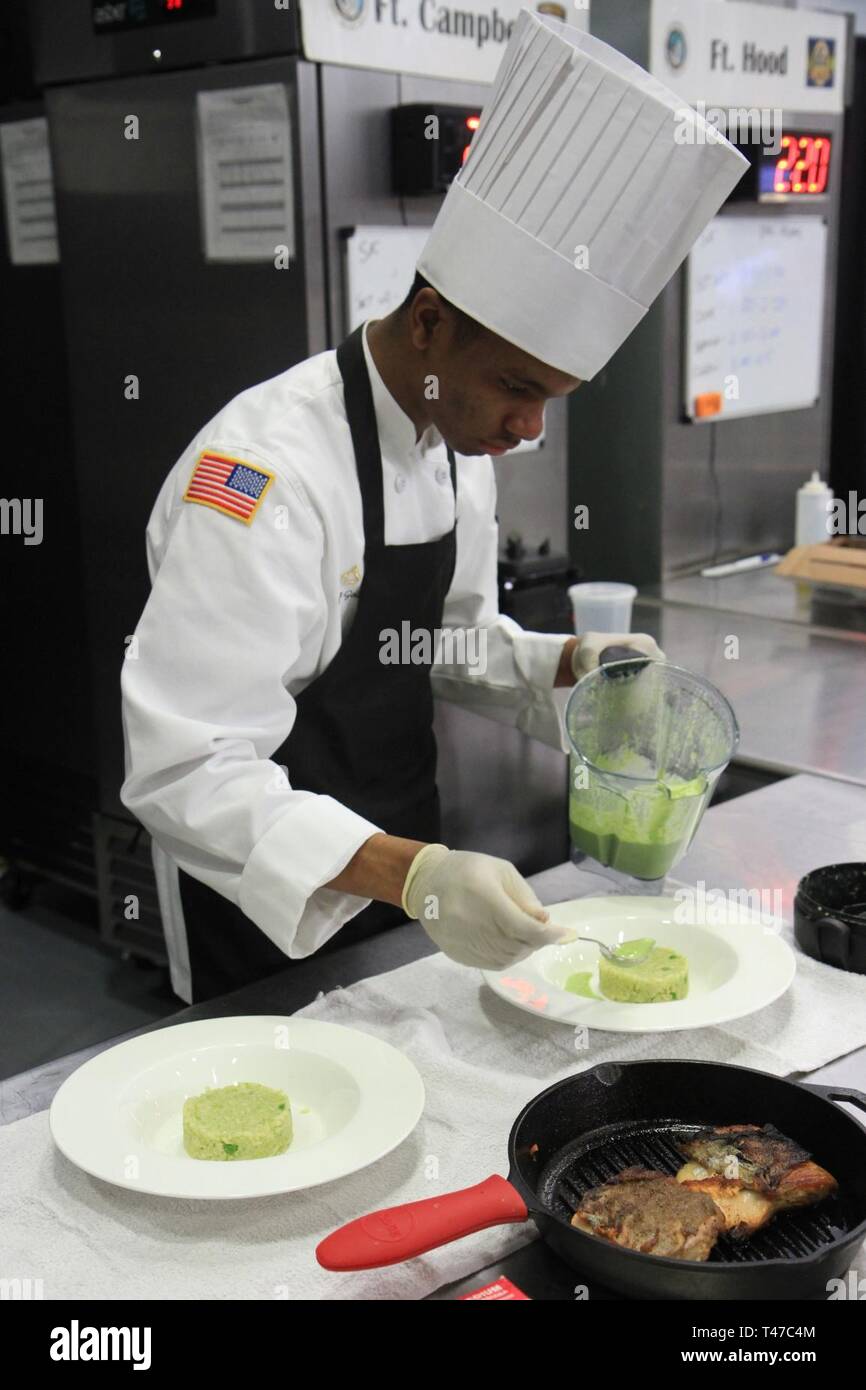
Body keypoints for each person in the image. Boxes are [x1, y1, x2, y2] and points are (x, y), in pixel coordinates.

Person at [120, 11, 746, 1003]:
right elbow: (183, 767)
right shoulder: (263, 473)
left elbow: (443, 644)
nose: (525, 428)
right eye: (515, 388)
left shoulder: (456, 439)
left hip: (408, 872)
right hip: (264, 898)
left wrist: (569, 664)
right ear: (426, 323)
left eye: (547, 398)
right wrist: (406, 871)